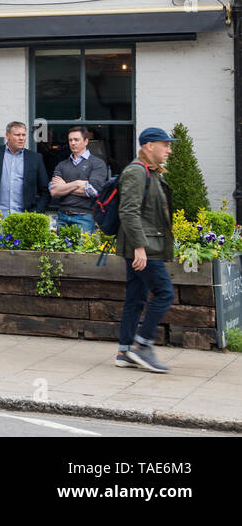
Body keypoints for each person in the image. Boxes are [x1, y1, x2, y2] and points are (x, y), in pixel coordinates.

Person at [114, 128, 177, 373]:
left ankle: (124, 351)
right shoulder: (136, 171)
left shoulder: (151, 173)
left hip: (141, 245)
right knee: (164, 292)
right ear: (149, 146)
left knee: (136, 297)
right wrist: (140, 248)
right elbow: (128, 211)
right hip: (142, 247)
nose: (169, 150)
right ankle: (141, 346)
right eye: (165, 145)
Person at [0, 120, 51, 215]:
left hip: (24, 216)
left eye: (23, 135)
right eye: (17, 135)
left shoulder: (35, 158)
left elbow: (45, 190)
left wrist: (35, 213)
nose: (21, 138)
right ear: (8, 135)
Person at [49, 126, 110, 235]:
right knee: (61, 251)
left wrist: (64, 186)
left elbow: (92, 191)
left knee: (82, 252)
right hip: (62, 216)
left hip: (84, 217)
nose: (73, 143)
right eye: (70, 140)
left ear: (86, 141)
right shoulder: (62, 164)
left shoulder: (97, 163)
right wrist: (78, 184)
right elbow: (54, 191)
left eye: (76, 140)